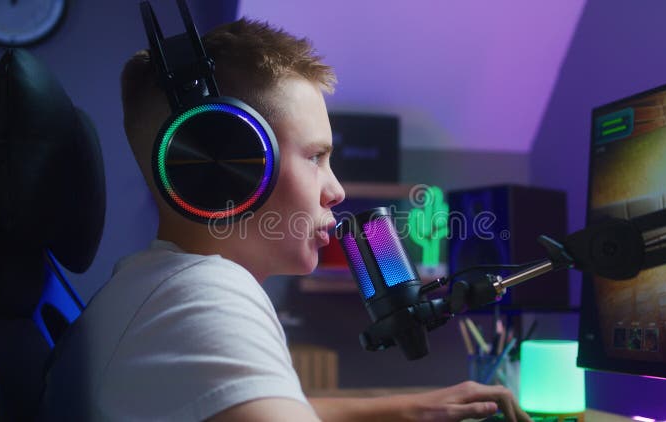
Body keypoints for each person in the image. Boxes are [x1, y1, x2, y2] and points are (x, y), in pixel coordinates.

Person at [39, 18, 531, 422]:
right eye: (316, 156)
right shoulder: (201, 298)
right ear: (230, 164)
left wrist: (406, 409)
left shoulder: (153, 286)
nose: (336, 190)